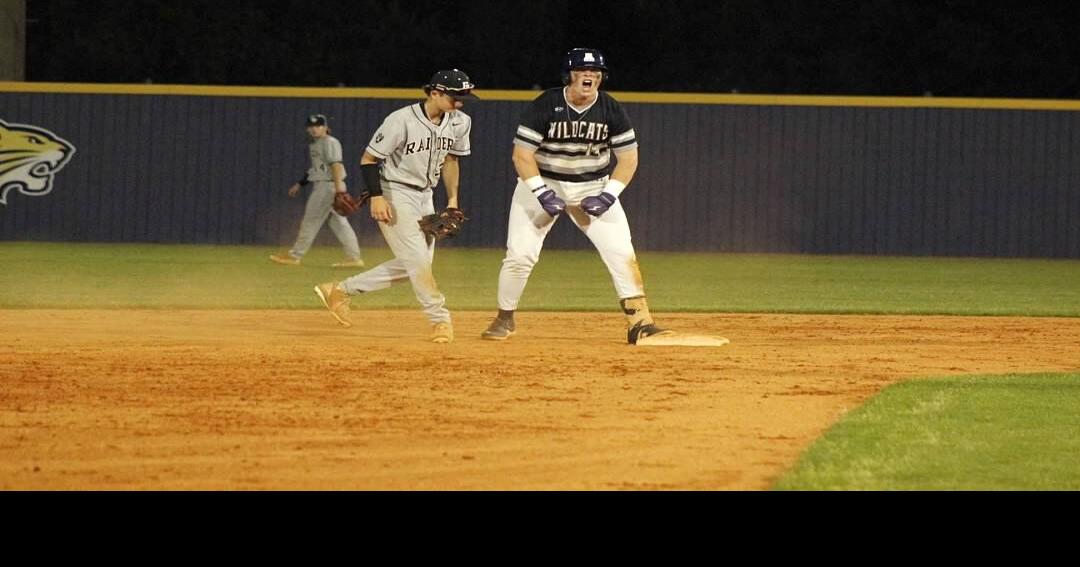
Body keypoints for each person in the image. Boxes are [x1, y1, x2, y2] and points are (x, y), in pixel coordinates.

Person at [481, 48, 672, 345]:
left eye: (595, 72)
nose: (589, 76)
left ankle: (640, 322)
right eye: (582, 70)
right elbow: (522, 155)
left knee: (621, 252)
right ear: (569, 75)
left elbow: (629, 158)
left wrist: (608, 196)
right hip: (543, 183)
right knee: (520, 255)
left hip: (592, 186)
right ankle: (504, 318)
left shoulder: (610, 108)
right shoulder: (547, 103)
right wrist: (541, 192)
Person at [313, 70, 477, 344]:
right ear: (434, 93)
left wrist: (452, 201)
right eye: (455, 97)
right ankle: (440, 320)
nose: (460, 103)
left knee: (416, 263)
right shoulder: (401, 120)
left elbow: (451, 161)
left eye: (463, 98)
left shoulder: (461, 122)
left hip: (426, 195)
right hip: (394, 191)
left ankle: (340, 290)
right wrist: (377, 197)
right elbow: (368, 160)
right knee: (417, 262)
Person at [269, 114, 365, 268]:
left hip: (328, 186)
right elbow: (317, 169)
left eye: (318, 126)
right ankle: (354, 258)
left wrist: (339, 187)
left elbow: (336, 165)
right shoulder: (315, 144)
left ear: (326, 127)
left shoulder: (330, 142)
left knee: (310, 221)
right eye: (311, 126)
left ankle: (295, 256)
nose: (314, 129)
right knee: (340, 224)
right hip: (327, 184)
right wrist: (300, 184)